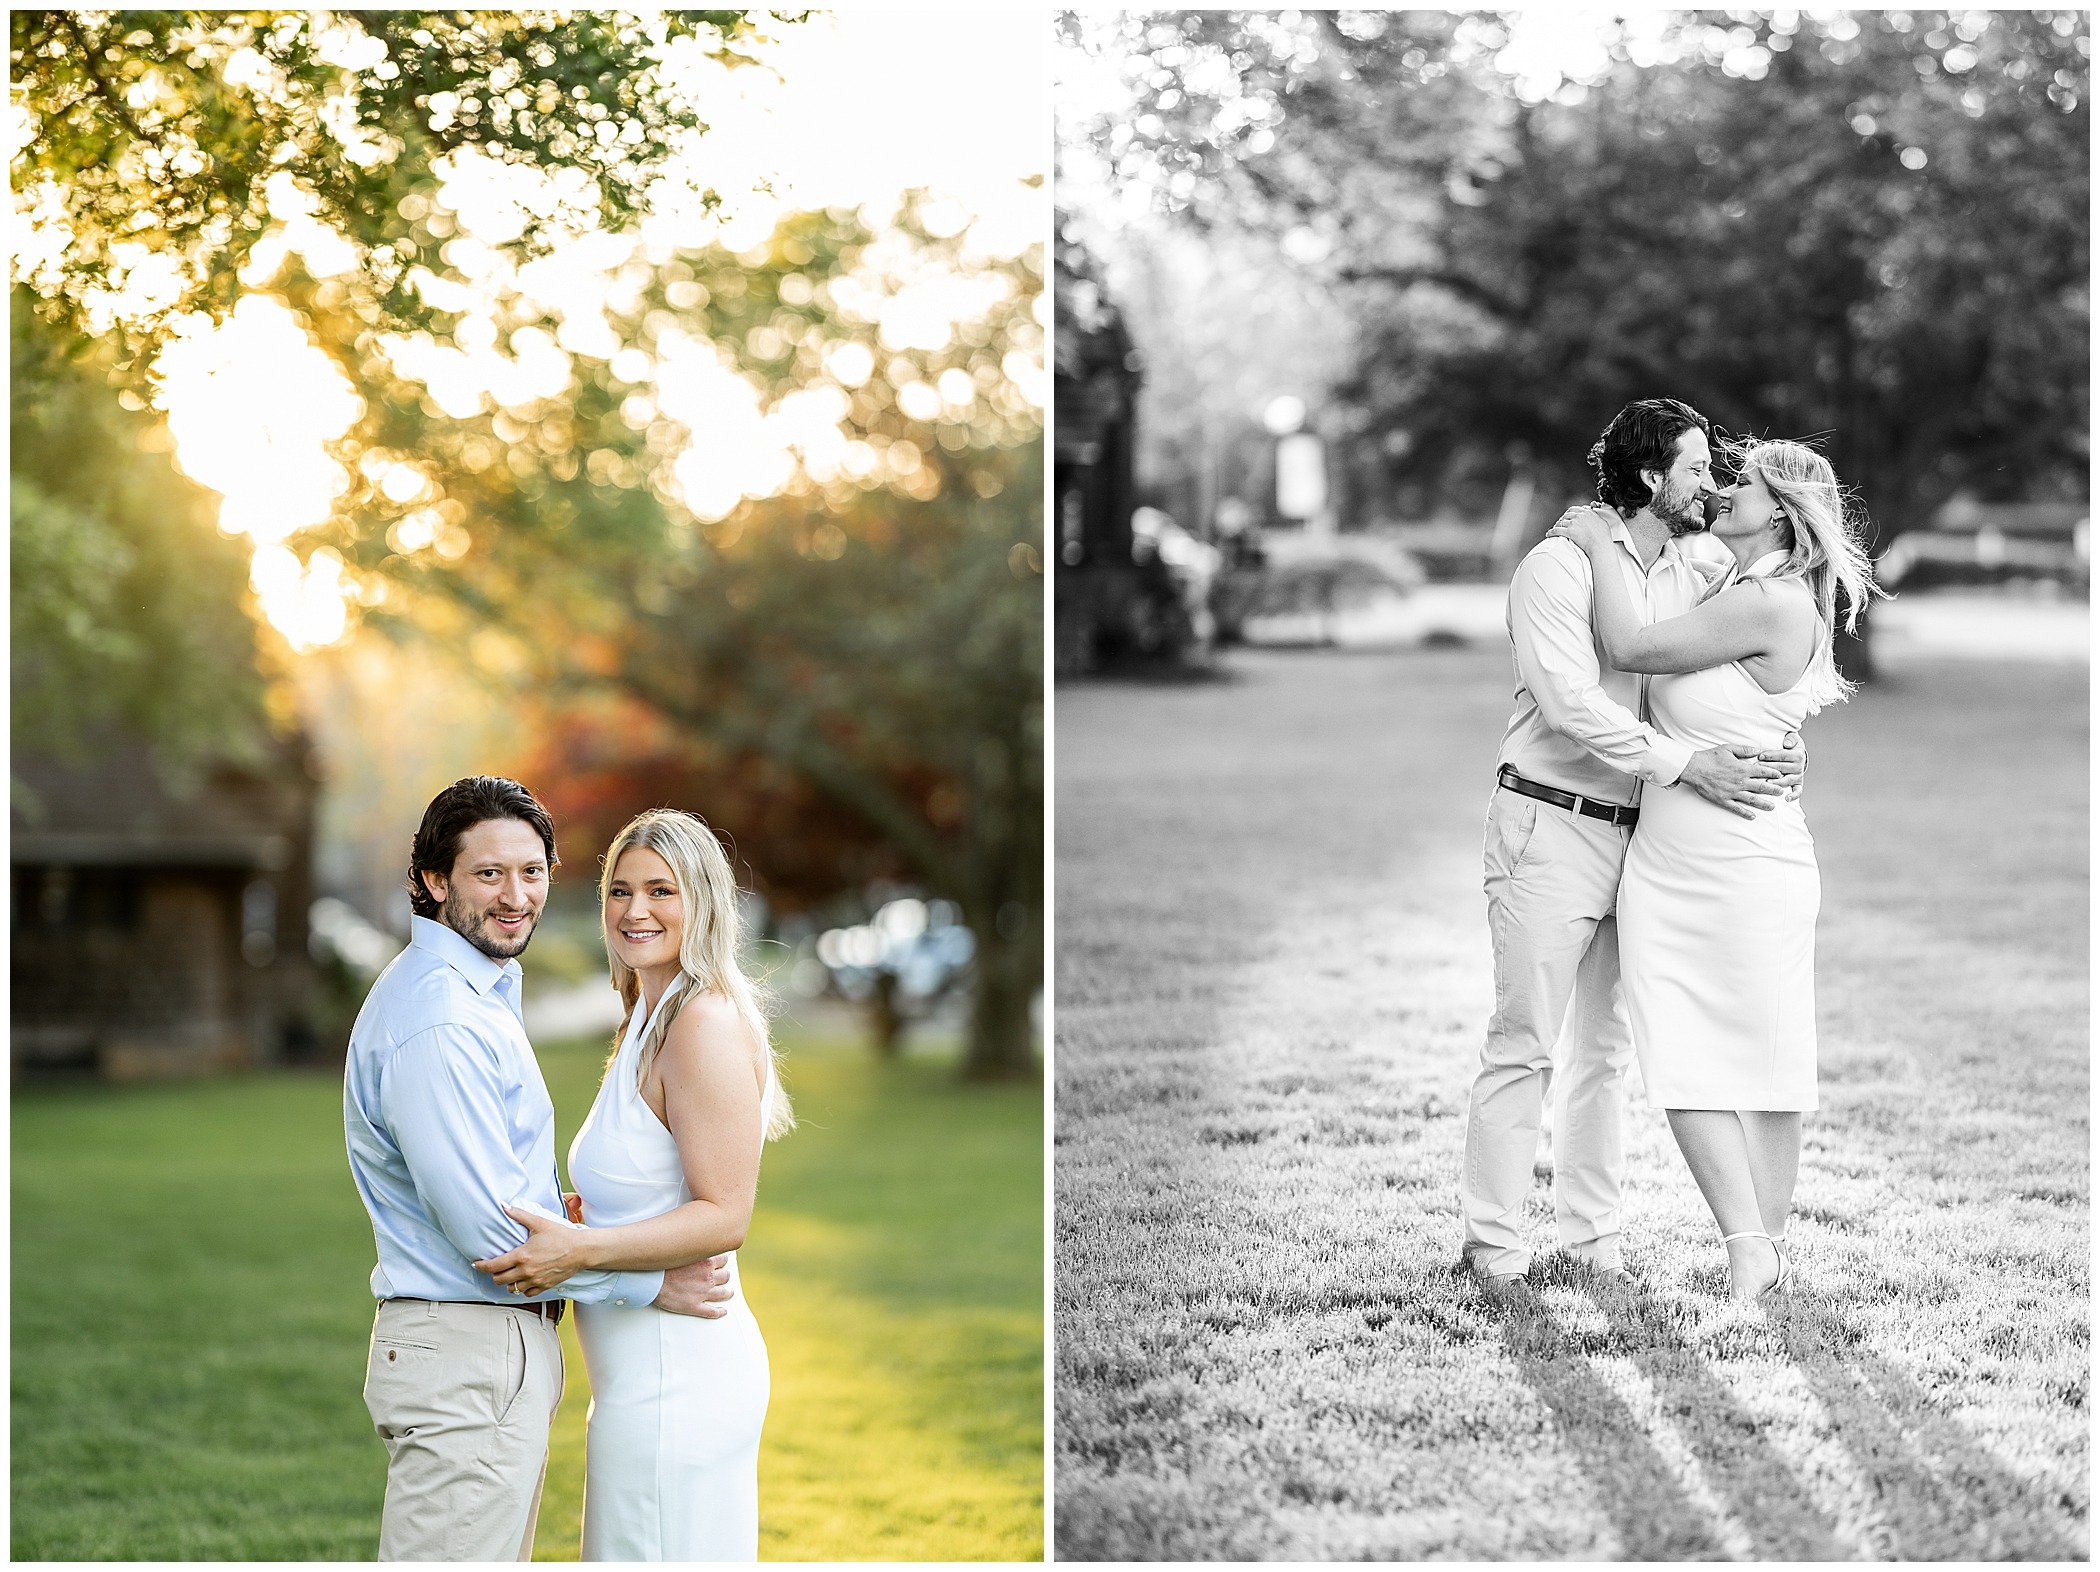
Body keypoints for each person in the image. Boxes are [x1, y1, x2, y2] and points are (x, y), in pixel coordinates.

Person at [1457, 399, 1806, 1303]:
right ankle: (1494, 1247)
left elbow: (1736, 669)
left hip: (1643, 838)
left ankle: (1592, 1240)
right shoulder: (1558, 565)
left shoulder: (1697, 568)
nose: (1713, 484)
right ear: (1653, 478)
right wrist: (1688, 765)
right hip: (1550, 824)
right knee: (1525, 1042)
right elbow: (1574, 705)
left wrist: (1782, 743)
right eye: (1697, 468)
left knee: (1605, 1051)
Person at [345, 776, 734, 1562]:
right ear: (434, 881)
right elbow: (494, 1237)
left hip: (483, 1357)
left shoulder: (472, 994)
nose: (516, 896)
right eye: (489, 873)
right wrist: (649, 1284)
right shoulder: (442, 1019)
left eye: (532, 872)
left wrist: (567, 1216)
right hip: (466, 1356)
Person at [1549, 438, 1878, 1299]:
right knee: (1679, 1054)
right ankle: (1756, 1249)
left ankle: (1755, 1248)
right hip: (1665, 866)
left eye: (1746, 483)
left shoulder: (1771, 602)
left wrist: (1594, 540)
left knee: (1768, 1063)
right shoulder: (1723, 579)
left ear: (1782, 512)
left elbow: (1629, 646)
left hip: (1746, 864)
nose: (1725, 490)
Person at [473, 808, 792, 1561]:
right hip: (637, 1382)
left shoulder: (702, 1022)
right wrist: (587, 1217)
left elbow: (724, 1215)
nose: (634, 910)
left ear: (702, 901)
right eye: (620, 891)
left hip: (678, 1379)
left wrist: (582, 1249)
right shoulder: (648, 1014)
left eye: (660, 891)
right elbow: (651, 1180)